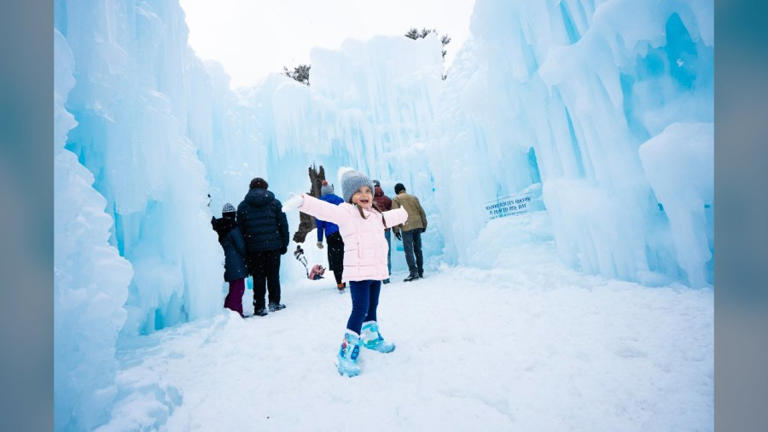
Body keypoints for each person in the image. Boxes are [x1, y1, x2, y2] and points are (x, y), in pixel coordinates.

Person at [282, 170, 408, 377]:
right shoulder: (346, 213)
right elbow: (323, 209)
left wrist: (402, 213)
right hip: (358, 273)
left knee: (372, 305)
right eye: (358, 191)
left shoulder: (376, 215)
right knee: (359, 309)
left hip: (375, 270)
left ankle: (371, 336)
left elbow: (388, 218)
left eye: (368, 190)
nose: (365, 194)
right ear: (350, 195)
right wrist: (303, 201)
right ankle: (347, 350)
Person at [237, 177, 289, 317]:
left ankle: (259, 306)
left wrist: (245, 251)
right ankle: (274, 303)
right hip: (273, 247)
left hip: (254, 249)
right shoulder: (275, 204)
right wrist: (284, 243)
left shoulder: (243, 206)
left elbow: (241, 231)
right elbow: (283, 225)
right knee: (273, 276)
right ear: (266, 188)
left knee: (258, 278)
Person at [211, 203, 248, 317]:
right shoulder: (233, 227)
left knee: (234, 287)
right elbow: (241, 246)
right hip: (235, 261)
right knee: (238, 287)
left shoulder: (218, 226)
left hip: (225, 261)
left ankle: (235, 311)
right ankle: (232, 312)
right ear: (233, 214)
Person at [391, 183, 428, 282]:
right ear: (404, 189)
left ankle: (413, 272)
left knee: (409, 251)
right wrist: (424, 225)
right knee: (418, 249)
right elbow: (421, 212)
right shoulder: (414, 197)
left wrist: (396, 230)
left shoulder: (396, 199)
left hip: (407, 227)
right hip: (417, 225)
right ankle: (420, 271)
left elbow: (395, 215)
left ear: (396, 191)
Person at [316, 180, 346, 291]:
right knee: (345, 256)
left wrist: (319, 240)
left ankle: (340, 283)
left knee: (335, 258)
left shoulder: (320, 204)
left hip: (331, 234)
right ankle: (347, 278)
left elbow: (319, 223)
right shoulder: (339, 200)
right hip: (342, 232)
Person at [372, 180, 393, 284]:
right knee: (387, 252)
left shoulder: (369, 200)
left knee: (376, 253)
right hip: (386, 229)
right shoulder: (386, 199)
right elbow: (391, 211)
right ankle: (387, 275)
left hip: (375, 231)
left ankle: (377, 275)